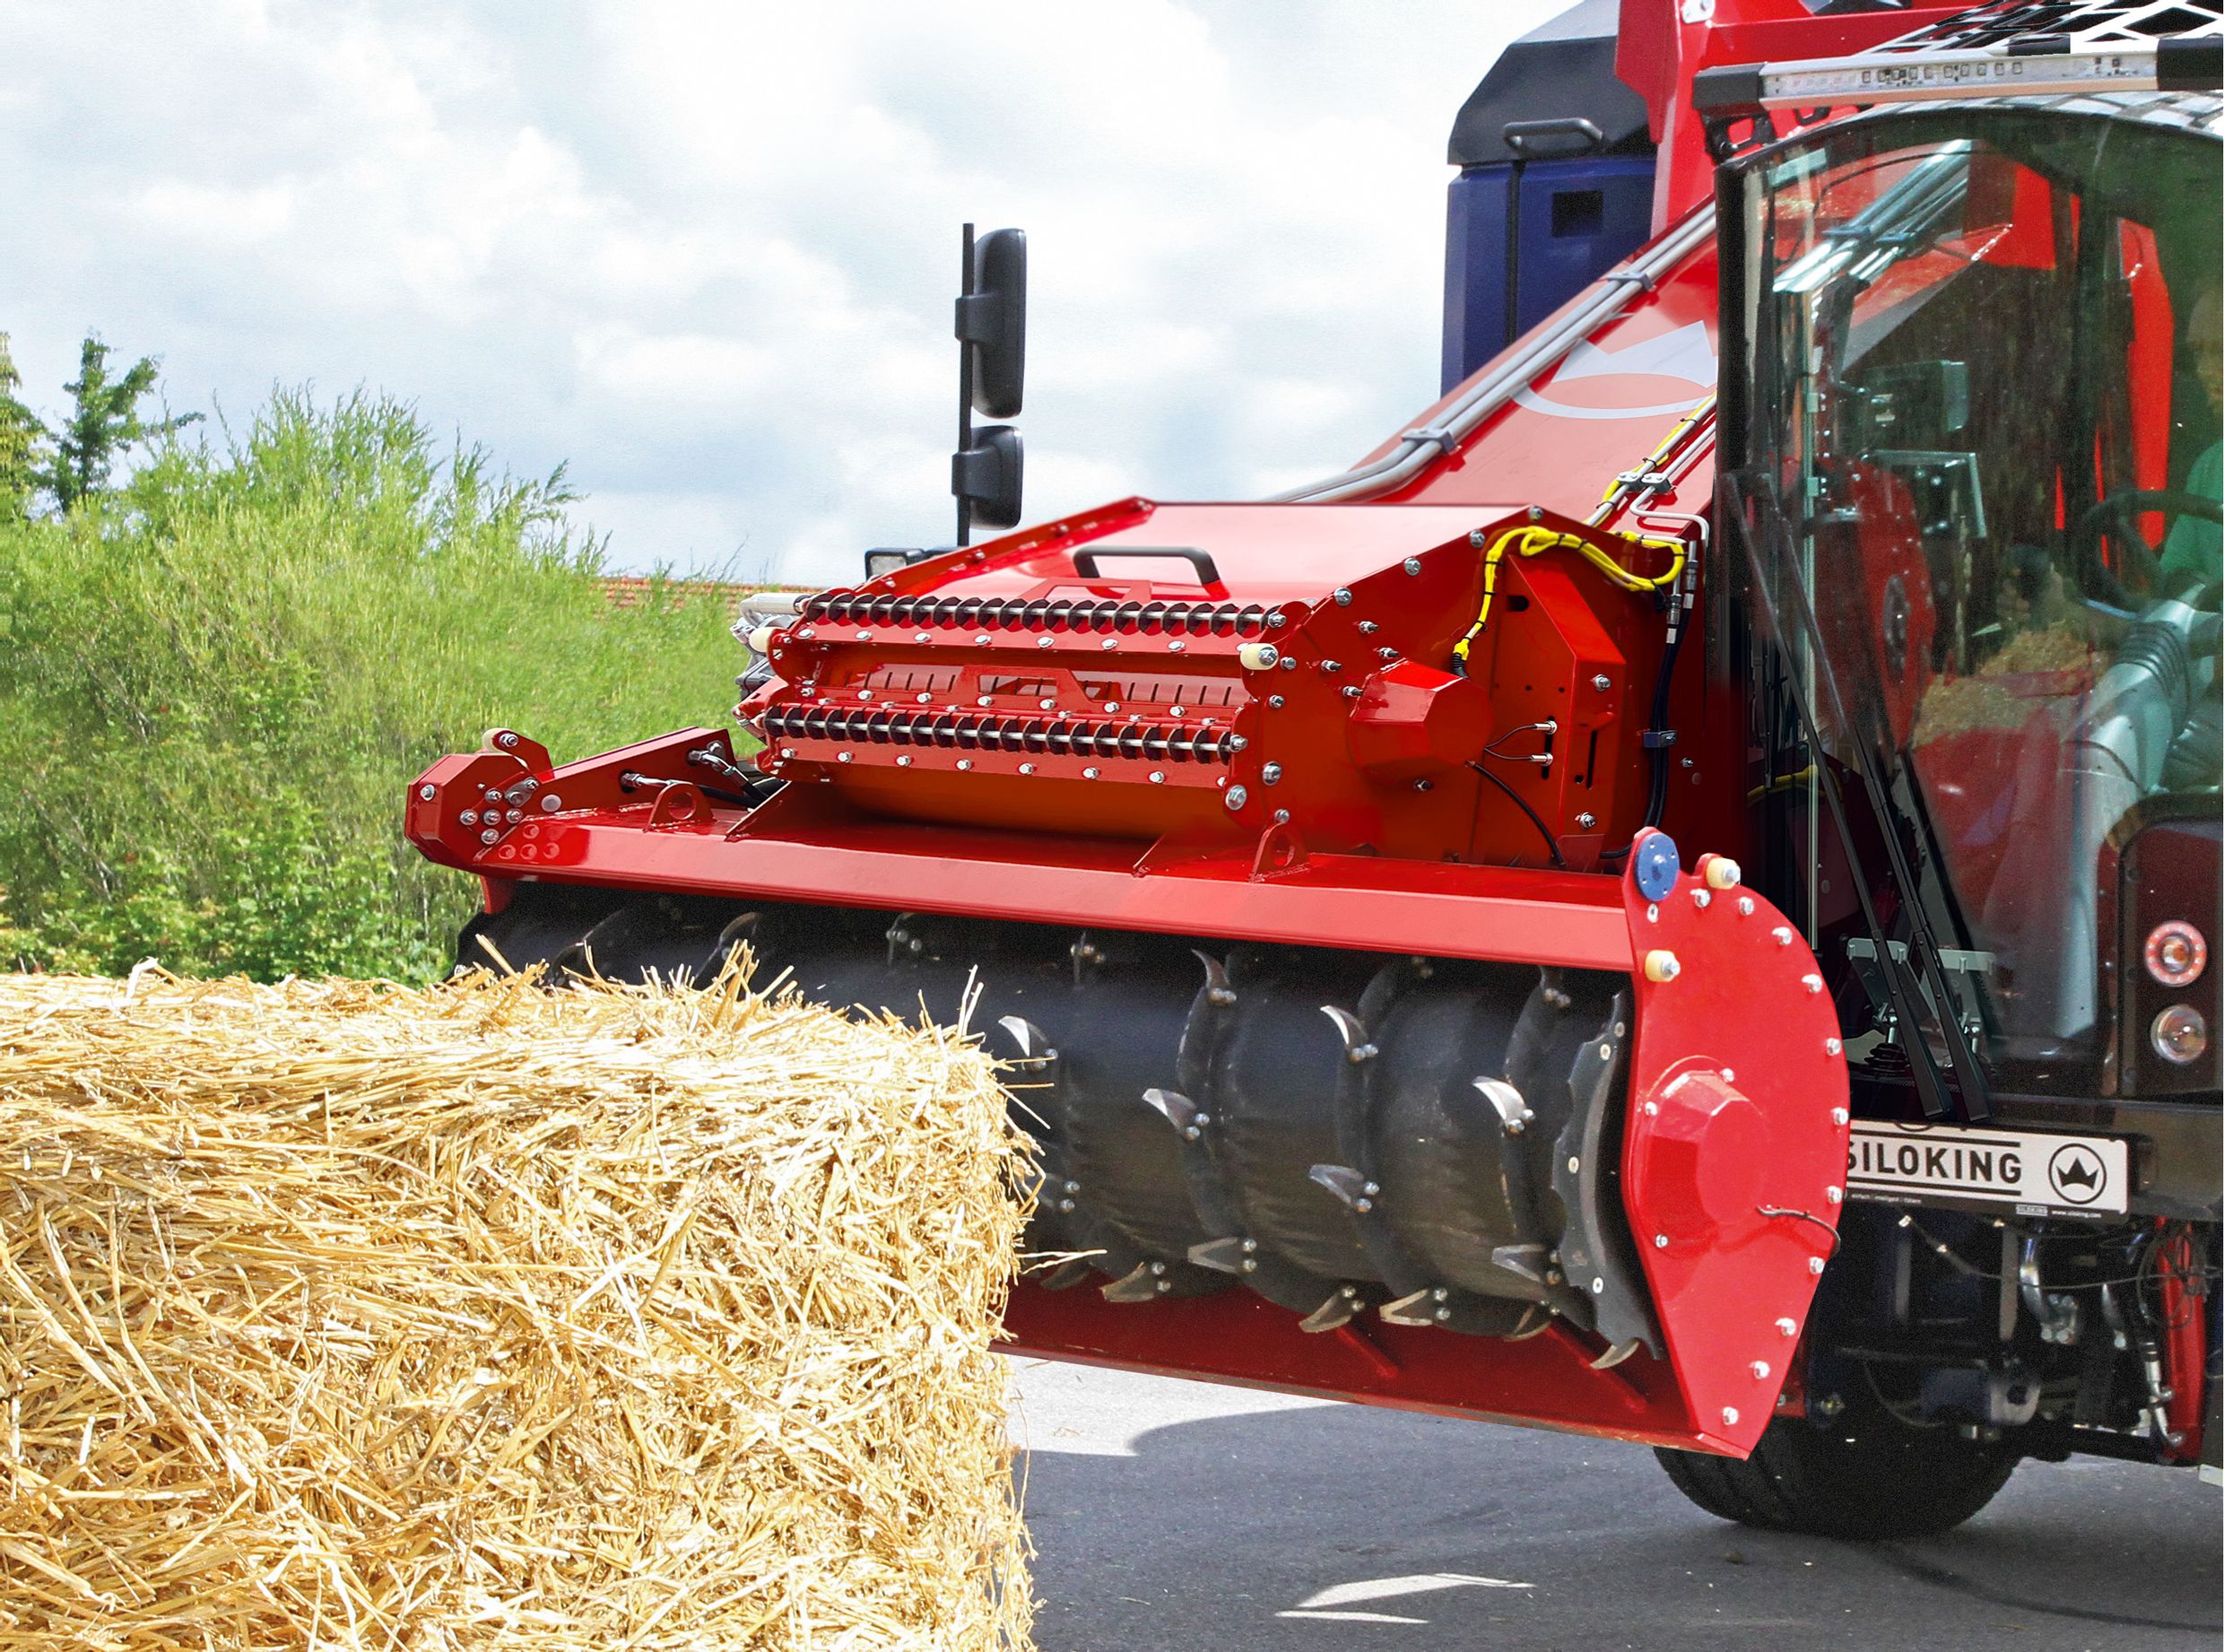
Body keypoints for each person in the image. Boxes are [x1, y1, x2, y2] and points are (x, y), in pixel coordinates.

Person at [2158, 283, 2222, 587]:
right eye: (2199, 352)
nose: (2206, 370)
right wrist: (2067, 610)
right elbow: (2169, 604)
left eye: (2221, 350)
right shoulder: (2209, 469)